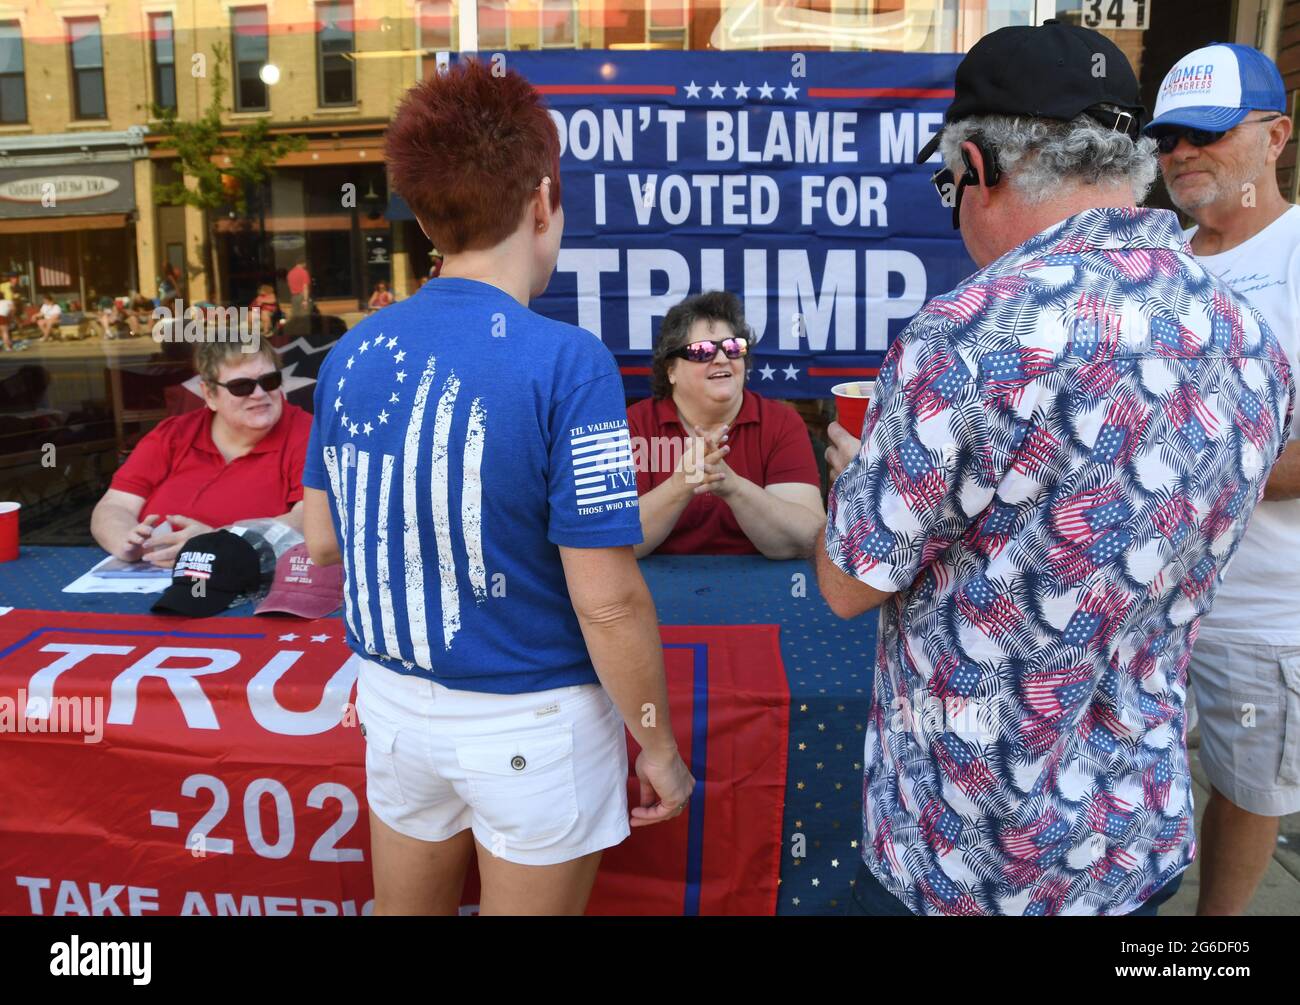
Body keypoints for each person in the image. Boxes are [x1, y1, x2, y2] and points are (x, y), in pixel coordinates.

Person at [816, 21, 1294, 916]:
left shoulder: (969, 334)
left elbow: (849, 583)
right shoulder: (1246, 336)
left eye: (946, 183)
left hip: (967, 854)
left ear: (976, 164)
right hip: (1133, 835)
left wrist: (857, 476)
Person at [302, 60, 693, 916]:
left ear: (425, 214)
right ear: (543, 200)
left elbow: (323, 538)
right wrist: (656, 743)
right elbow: (610, 601)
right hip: (534, 726)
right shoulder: (566, 361)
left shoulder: (351, 355)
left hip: (395, 710)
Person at [1146, 43, 1300, 916]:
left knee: (1248, 790)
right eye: (1168, 137)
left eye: (1207, 133)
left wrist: (1180, 479)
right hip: (1133, 599)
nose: (1181, 155)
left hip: (1256, 606)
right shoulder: (1152, 253)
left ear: (1275, 135)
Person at [628, 290, 824, 558]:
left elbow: (808, 538)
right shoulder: (636, 425)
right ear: (670, 370)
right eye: (702, 351)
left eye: (733, 347)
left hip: (769, 591)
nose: (721, 358)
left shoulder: (781, 423)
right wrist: (681, 485)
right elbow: (621, 543)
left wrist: (733, 487)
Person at [91, 339, 311, 567]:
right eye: (241, 386)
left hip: (238, 581)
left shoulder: (306, 435)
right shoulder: (175, 434)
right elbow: (115, 504)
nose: (259, 394)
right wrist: (127, 542)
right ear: (210, 395)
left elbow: (307, 520)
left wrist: (216, 543)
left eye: (269, 381)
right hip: (148, 575)